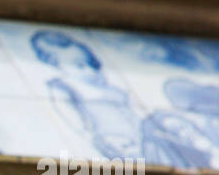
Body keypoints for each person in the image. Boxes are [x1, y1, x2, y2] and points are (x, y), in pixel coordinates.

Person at [31, 29, 141, 161]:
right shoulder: (64, 88)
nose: (90, 71)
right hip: (116, 146)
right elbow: (80, 130)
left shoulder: (107, 86)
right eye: (80, 66)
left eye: (93, 64)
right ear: (58, 66)